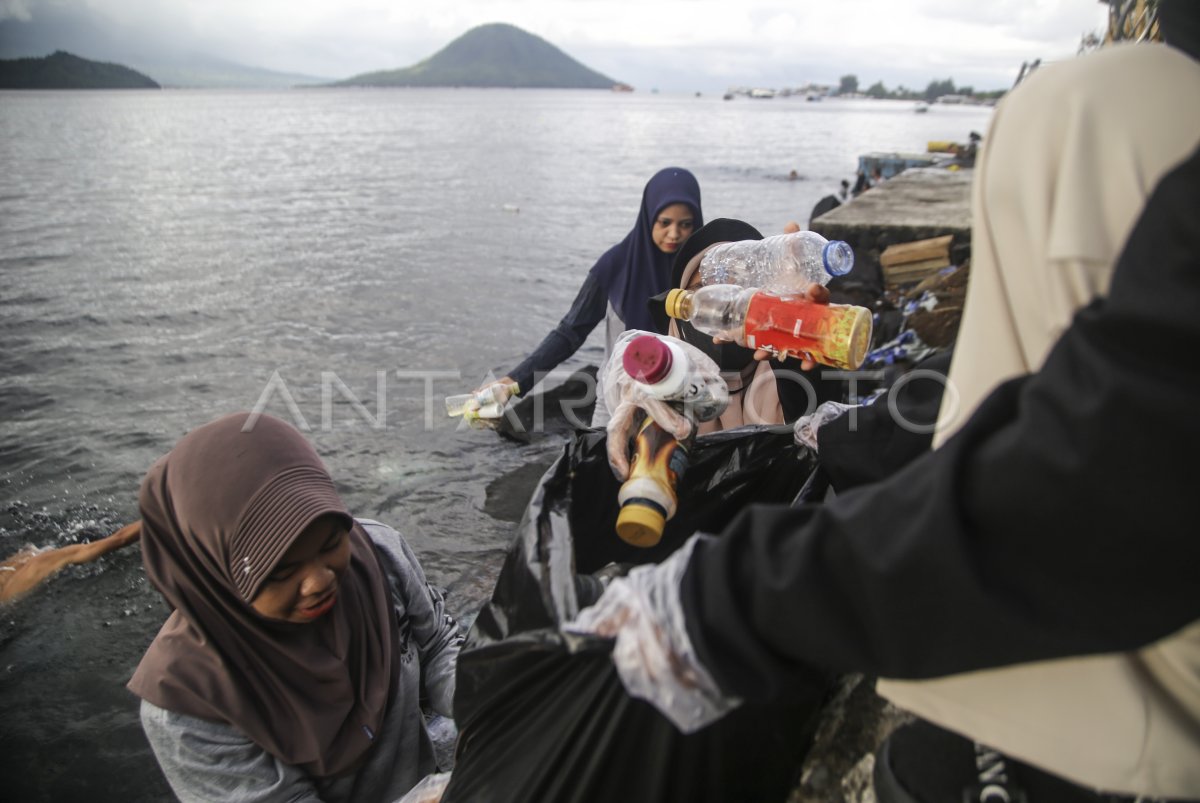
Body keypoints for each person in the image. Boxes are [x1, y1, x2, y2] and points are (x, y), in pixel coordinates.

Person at [570, 8, 1200, 800]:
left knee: (1081, 110)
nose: (676, 239)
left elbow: (1073, 468)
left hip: (1142, 729)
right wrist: (839, 431)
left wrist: (718, 599)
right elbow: (1014, 402)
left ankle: (1061, 731)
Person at [128, 412, 461, 803]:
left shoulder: (378, 554)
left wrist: (499, 695)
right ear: (215, 573)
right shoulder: (189, 702)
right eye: (279, 571)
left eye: (329, 543)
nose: (319, 581)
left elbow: (438, 645)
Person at [481, 167, 702, 426]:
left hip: (683, 404)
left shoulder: (702, 272)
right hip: (616, 403)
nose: (674, 234)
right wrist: (514, 382)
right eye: (664, 222)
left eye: (685, 225)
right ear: (648, 216)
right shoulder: (614, 267)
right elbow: (570, 332)